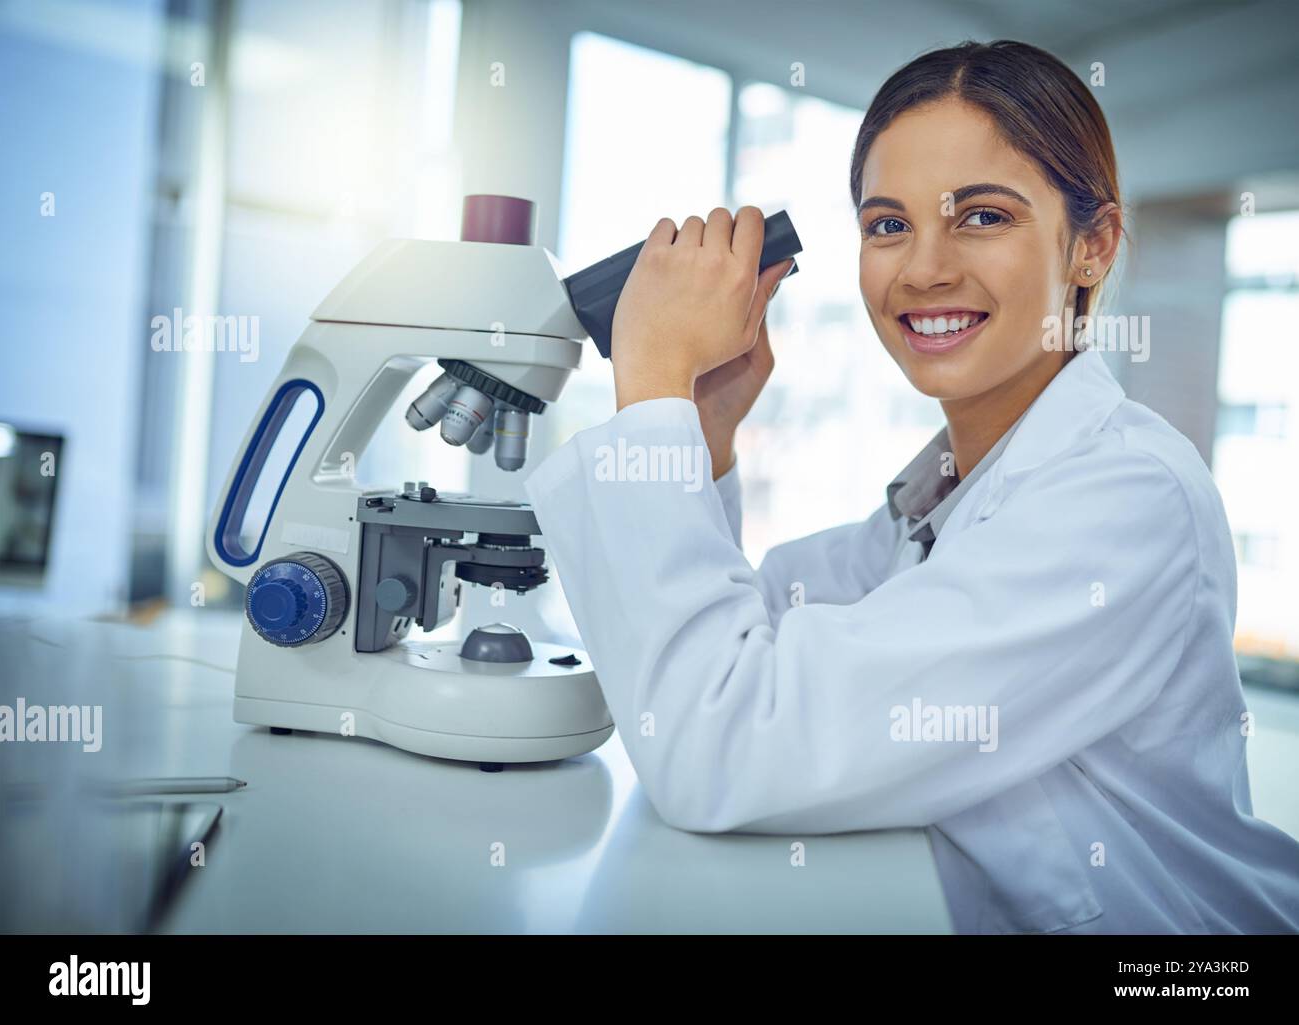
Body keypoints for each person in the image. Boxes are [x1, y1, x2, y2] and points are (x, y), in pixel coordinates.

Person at [523, 39, 1299, 934]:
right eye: (888, 225)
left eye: (980, 216)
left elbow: (717, 744)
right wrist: (698, 431)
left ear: (1093, 246)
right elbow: (712, 651)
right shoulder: (938, 501)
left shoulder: (1126, 497)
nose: (923, 268)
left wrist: (652, 375)